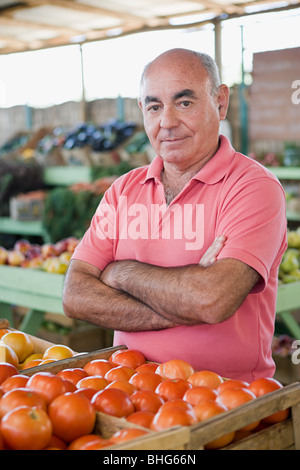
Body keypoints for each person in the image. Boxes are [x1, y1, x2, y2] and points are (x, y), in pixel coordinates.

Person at [63, 48, 287, 381]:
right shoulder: (123, 190)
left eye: (184, 103)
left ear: (220, 101)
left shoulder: (254, 187)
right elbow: (75, 296)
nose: (167, 122)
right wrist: (186, 300)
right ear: (142, 111)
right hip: (127, 392)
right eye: (154, 107)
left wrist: (121, 273)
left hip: (226, 401)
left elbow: (211, 300)